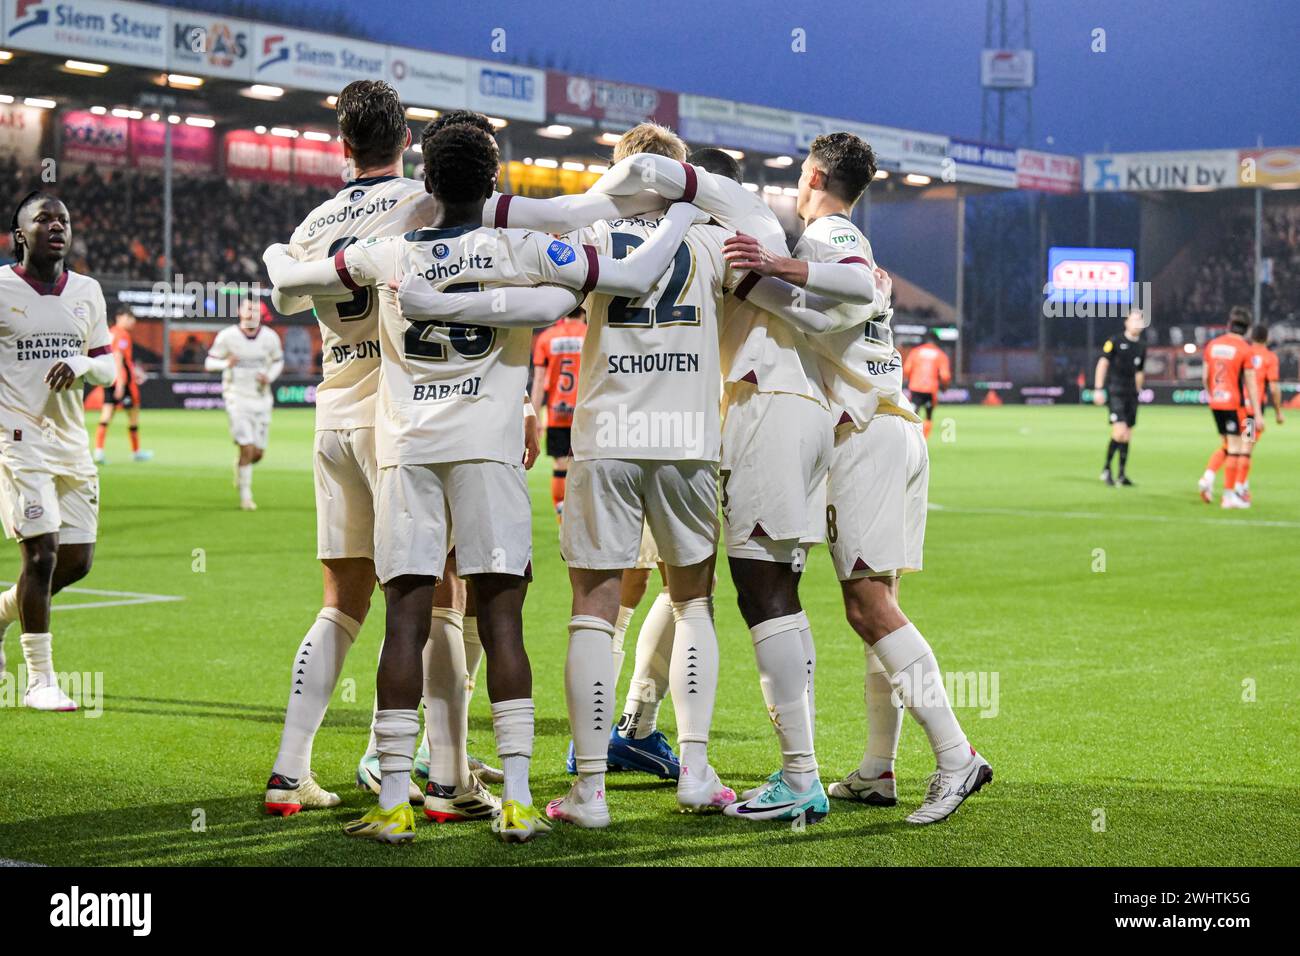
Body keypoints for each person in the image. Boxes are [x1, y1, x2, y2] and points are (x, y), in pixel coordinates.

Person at [266, 119, 700, 843]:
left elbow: (288, 280)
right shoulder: (521, 247)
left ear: (427, 185)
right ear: (495, 185)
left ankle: (396, 801)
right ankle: (521, 798)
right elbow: (627, 275)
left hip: (407, 451)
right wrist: (685, 209)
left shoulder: (387, 252)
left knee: (405, 620)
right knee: (500, 623)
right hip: (488, 454)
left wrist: (279, 250)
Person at [397, 121, 739, 828]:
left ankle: (588, 793)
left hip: (606, 433)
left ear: (617, 174)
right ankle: (698, 773)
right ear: (677, 176)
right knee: (693, 603)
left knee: (596, 603)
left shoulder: (588, 242)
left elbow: (544, 306)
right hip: (687, 436)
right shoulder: (709, 237)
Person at [587, 142, 882, 822]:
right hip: (786, 411)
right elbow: (817, 309)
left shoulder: (730, 235)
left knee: (761, 590)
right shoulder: (734, 241)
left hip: (765, 407)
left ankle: (799, 775)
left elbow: (854, 285)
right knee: (733, 583)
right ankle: (643, 721)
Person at [723, 131, 992, 825]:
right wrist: (774, 288)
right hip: (896, 427)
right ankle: (877, 768)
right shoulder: (846, 242)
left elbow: (841, 283)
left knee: (869, 607)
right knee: (879, 610)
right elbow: (829, 314)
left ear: (813, 175)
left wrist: (778, 265)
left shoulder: (827, 235)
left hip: (867, 433)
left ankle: (958, 756)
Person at [0, 191, 116, 709]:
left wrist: (83, 364)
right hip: (18, 442)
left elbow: (108, 367)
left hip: (71, 442)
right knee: (41, 555)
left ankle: (2, 612)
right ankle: (39, 681)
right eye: (43, 219)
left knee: (76, 561)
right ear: (18, 234)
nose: (56, 226)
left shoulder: (88, 292)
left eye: (63, 219)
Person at [204, 299, 282, 511]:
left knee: (257, 453)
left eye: (255, 309)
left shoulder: (269, 337)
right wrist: (225, 364)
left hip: (262, 399)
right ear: (239, 312)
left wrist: (269, 376)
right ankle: (246, 496)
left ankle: (240, 465)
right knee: (246, 447)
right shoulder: (227, 336)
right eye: (248, 308)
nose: (251, 312)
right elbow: (209, 362)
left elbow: (278, 361)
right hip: (236, 398)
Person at [1197, 307, 1259, 509]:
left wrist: (1212, 394)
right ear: (1248, 329)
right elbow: (1255, 385)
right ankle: (1236, 490)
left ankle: (1210, 478)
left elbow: (1205, 377)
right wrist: (1260, 413)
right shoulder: (1250, 351)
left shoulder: (1213, 345)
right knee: (1243, 448)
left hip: (1218, 402)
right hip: (1245, 409)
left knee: (1230, 446)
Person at [530, 305, 587, 522]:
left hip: (557, 411)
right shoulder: (591, 334)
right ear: (584, 311)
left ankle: (562, 514)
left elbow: (538, 381)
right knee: (585, 464)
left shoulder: (547, 337)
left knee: (560, 464)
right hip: (586, 413)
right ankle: (582, 514)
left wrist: (534, 415)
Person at [1093, 308, 1146, 486]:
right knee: (1119, 431)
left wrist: (1138, 392)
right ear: (1126, 322)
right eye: (1134, 320)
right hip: (1116, 392)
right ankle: (1107, 469)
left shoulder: (1141, 346)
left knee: (1127, 434)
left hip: (1132, 394)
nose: (1137, 324)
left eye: (1140, 321)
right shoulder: (1114, 341)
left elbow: (1139, 372)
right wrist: (1099, 388)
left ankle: (1122, 474)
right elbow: (1102, 363)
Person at [93, 305, 152, 463]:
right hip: (122, 381)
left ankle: (98, 451)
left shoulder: (109, 332)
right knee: (133, 414)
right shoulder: (122, 334)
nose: (132, 321)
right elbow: (118, 357)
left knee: (106, 414)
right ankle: (136, 451)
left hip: (108, 377)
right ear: (121, 317)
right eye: (130, 318)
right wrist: (121, 383)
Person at [1239, 323, 1284, 503]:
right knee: (1245, 448)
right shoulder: (1270, 357)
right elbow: (1273, 388)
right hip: (1253, 410)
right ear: (1267, 338)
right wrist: (1278, 413)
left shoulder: (1245, 352)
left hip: (1238, 405)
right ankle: (1239, 487)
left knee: (1235, 446)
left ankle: (1233, 483)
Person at [902, 331, 952, 440]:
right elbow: (945, 375)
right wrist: (944, 387)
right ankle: (923, 440)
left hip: (915, 387)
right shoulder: (940, 354)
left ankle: (911, 438)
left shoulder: (916, 352)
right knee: (928, 415)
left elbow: (907, 369)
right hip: (931, 389)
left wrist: (910, 379)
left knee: (913, 414)